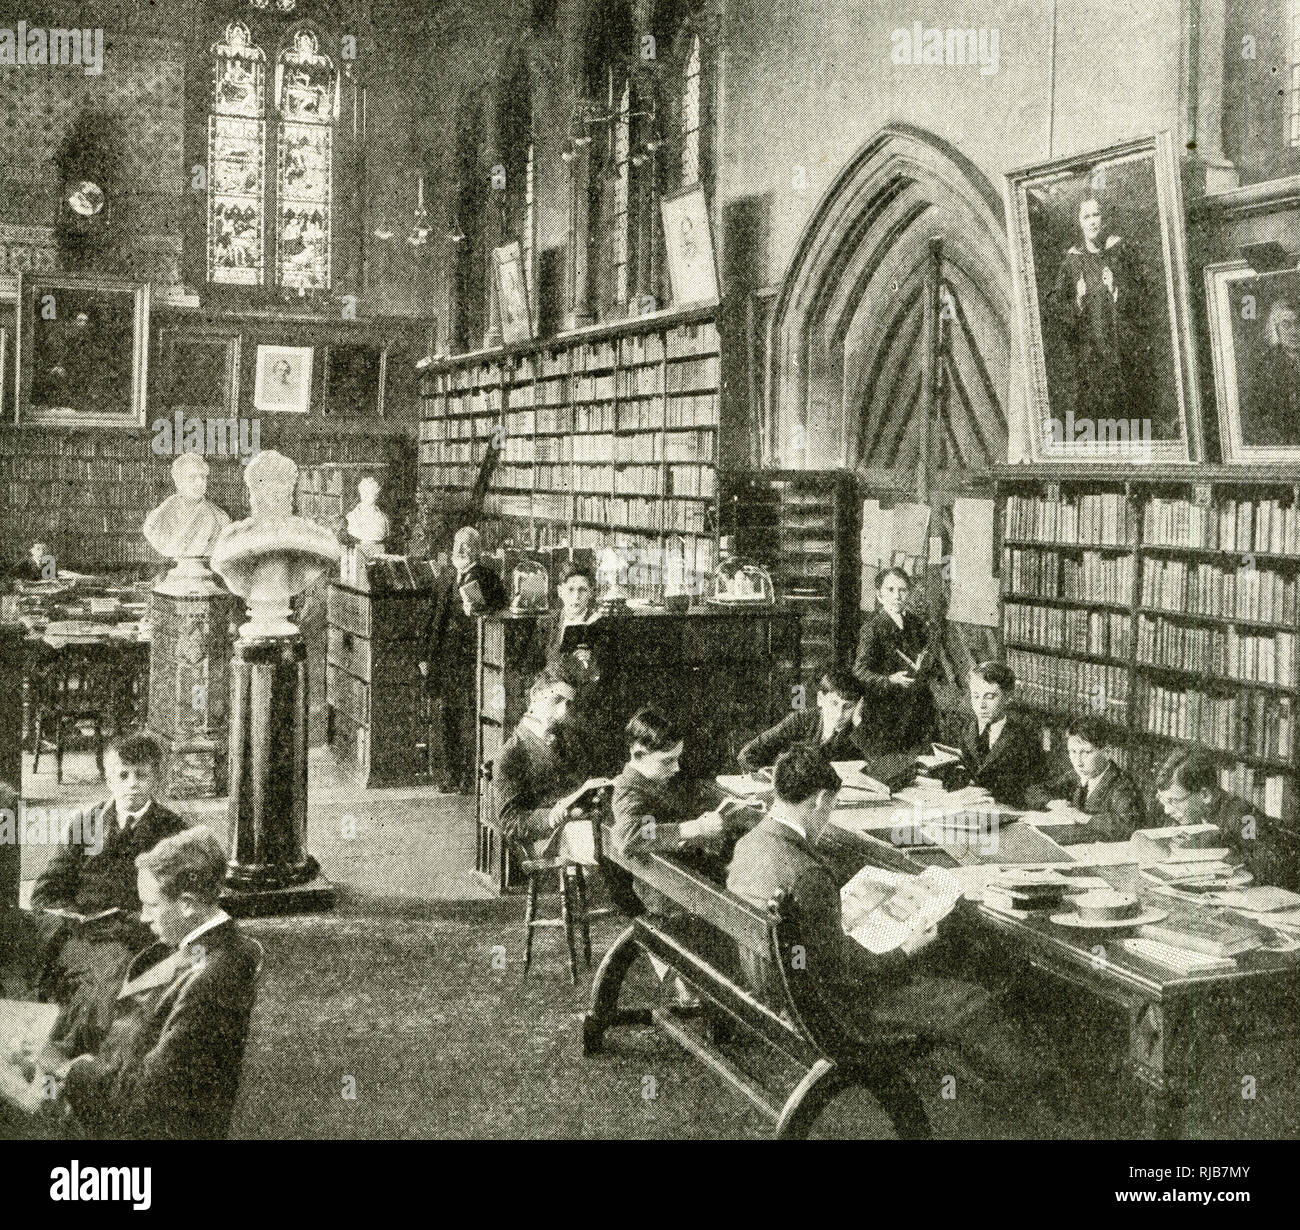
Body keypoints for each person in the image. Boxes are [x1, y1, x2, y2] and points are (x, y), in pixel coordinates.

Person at [726, 746, 1058, 1091]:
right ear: (821, 799)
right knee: (968, 997)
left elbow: (816, 944)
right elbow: (848, 973)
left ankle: (977, 1080)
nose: (827, 819)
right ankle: (1040, 1089)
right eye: (831, 808)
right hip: (832, 1013)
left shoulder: (749, 843)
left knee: (942, 976)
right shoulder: (806, 873)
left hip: (771, 985)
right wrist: (907, 949)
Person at [41, 826, 261, 1140]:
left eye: (152, 905)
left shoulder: (210, 979)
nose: (144, 917)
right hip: (120, 1074)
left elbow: (149, 1095)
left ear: (187, 904)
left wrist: (75, 1070)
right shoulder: (221, 944)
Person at [28, 733, 187, 1032]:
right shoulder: (86, 823)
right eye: (122, 775)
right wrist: (73, 917)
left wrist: (138, 921)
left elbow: (179, 903)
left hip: (134, 935)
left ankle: (77, 1055)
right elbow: (46, 892)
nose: (131, 784)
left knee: (107, 976)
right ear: (108, 778)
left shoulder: (173, 831)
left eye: (141, 775)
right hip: (81, 931)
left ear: (157, 779)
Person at [1050, 196, 1152, 424]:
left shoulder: (1120, 250)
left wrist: (1116, 289)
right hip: (1090, 355)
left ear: (1103, 217)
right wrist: (1078, 298)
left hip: (1121, 350)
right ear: (1079, 221)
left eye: (1096, 215)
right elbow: (1056, 306)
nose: (1092, 221)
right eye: (1086, 216)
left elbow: (1144, 295)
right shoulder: (1072, 261)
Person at [420, 527, 507, 793]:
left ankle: (469, 779)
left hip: (471, 661)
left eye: (467, 545)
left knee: (468, 720)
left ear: (477, 550)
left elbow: (499, 611)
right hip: (444, 662)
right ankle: (449, 776)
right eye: (457, 543)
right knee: (445, 718)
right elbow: (431, 620)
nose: (460, 550)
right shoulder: (446, 577)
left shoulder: (488, 578)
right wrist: (425, 656)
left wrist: (478, 610)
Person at [1155, 750, 1300, 891]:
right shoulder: (1185, 814)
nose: (1167, 810)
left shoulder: (1243, 816)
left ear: (1204, 794)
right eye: (1163, 801)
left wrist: (1212, 851)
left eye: (1174, 801)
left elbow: (1266, 863)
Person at [494, 664, 595, 862]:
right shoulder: (511, 753)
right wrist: (550, 817)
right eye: (557, 700)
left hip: (577, 824)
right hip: (545, 838)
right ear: (536, 694)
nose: (562, 712)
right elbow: (510, 822)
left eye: (568, 704)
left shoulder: (568, 740)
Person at [852, 568, 940, 754]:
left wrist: (926, 666)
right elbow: (860, 671)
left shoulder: (917, 624)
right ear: (879, 594)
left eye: (902, 590)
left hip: (917, 709)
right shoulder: (872, 628)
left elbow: (930, 663)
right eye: (890, 590)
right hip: (886, 712)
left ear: (908, 593)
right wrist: (890, 679)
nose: (897, 596)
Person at [1035, 715, 1147, 843]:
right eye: (1072, 752)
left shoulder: (1122, 785)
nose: (1078, 762)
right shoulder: (1076, 776)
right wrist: (1052, 803)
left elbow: (1129, 827)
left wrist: (1082, 817)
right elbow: (1033, 791)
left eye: (1086, 752)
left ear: (1107, 752)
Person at [737, 666, 867, 772]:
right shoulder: (801, 720)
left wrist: (858, 724)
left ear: (858, 706)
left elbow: (881, 770)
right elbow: (747, 754)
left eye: (848, 707)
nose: (839, 714)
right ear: (820, 699)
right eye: (834, 704)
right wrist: (773, 778)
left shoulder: (858, 730)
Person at [957, 662, 1043, 809]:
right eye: (975, 696)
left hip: (1007, 811)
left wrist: (992, 796)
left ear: (1007, 697)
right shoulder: (967, 729)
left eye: (989, 697)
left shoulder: (1024, 737)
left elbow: (1033, 787)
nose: (981, 705)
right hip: (968, 806)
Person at [1242, 299, 1300, 447]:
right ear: (1276, 329)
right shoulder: (1266, 366)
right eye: (1286, 325)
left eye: (1298, 323)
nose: (1294, 331)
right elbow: (1257, 416)